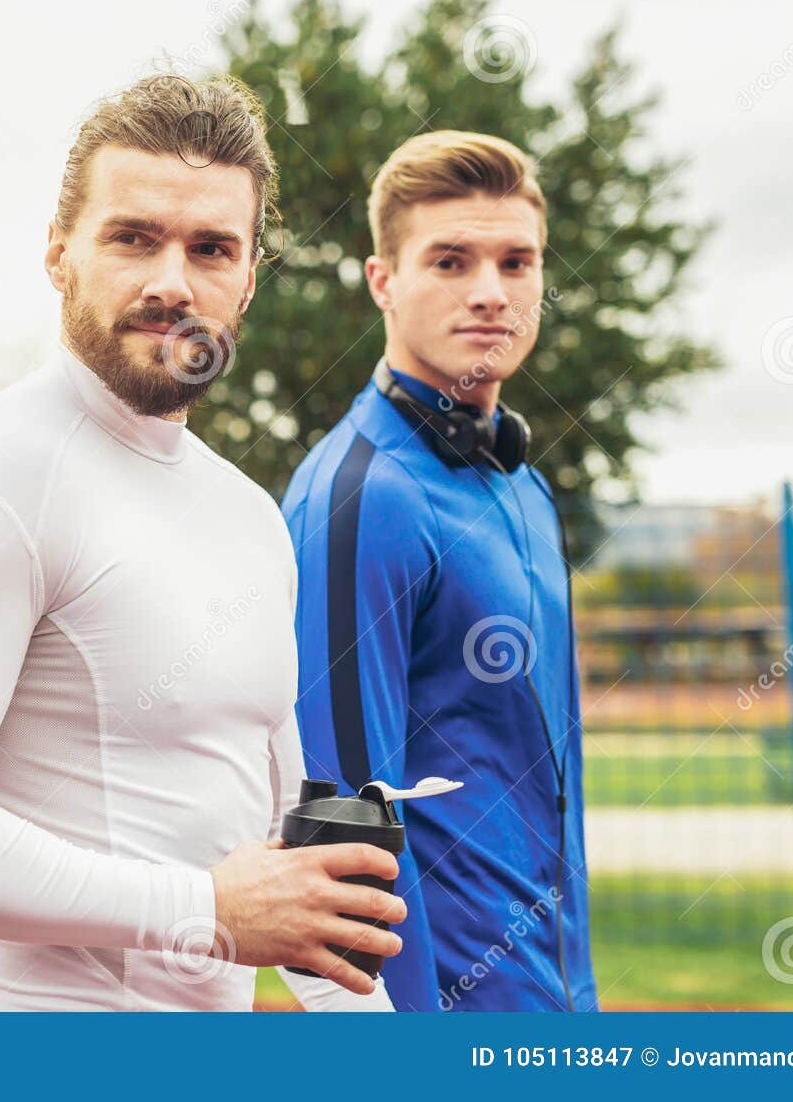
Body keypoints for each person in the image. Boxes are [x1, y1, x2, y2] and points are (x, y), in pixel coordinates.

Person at [0, 74, 407, 1011]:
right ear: (59, 253)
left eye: (212, 248)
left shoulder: (250, 516)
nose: (173, 282)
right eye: (134, 236)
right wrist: (200, 908)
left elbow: (284, 863)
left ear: (248, 278)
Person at [280, 131, 598, 1011]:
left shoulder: (525, 486)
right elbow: (336, 828)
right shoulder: (359, 498)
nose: (491, 293)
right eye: (451, 261)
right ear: (383, 280)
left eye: (517, 261)